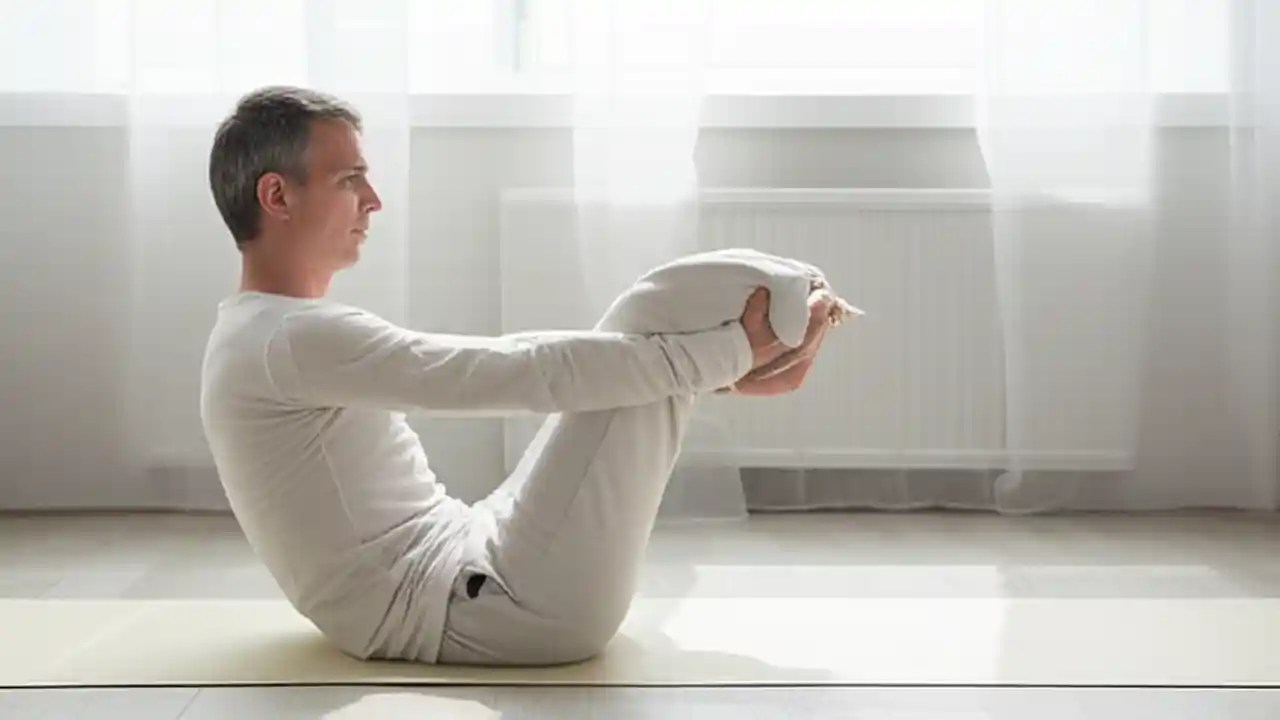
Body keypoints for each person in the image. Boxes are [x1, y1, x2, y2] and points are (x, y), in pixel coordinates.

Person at [199, 86, 834, 666]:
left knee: (630, 343)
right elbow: (513, 373)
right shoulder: (288, 340)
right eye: (350, 179)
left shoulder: (265, 333)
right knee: (646, 313)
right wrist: (729, 357)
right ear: (277, 196)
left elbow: (534, 372)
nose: (374, 200)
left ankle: (779, 319)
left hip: (472, 559)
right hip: (495, 609)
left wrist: (721, 371)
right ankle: (782, 314)